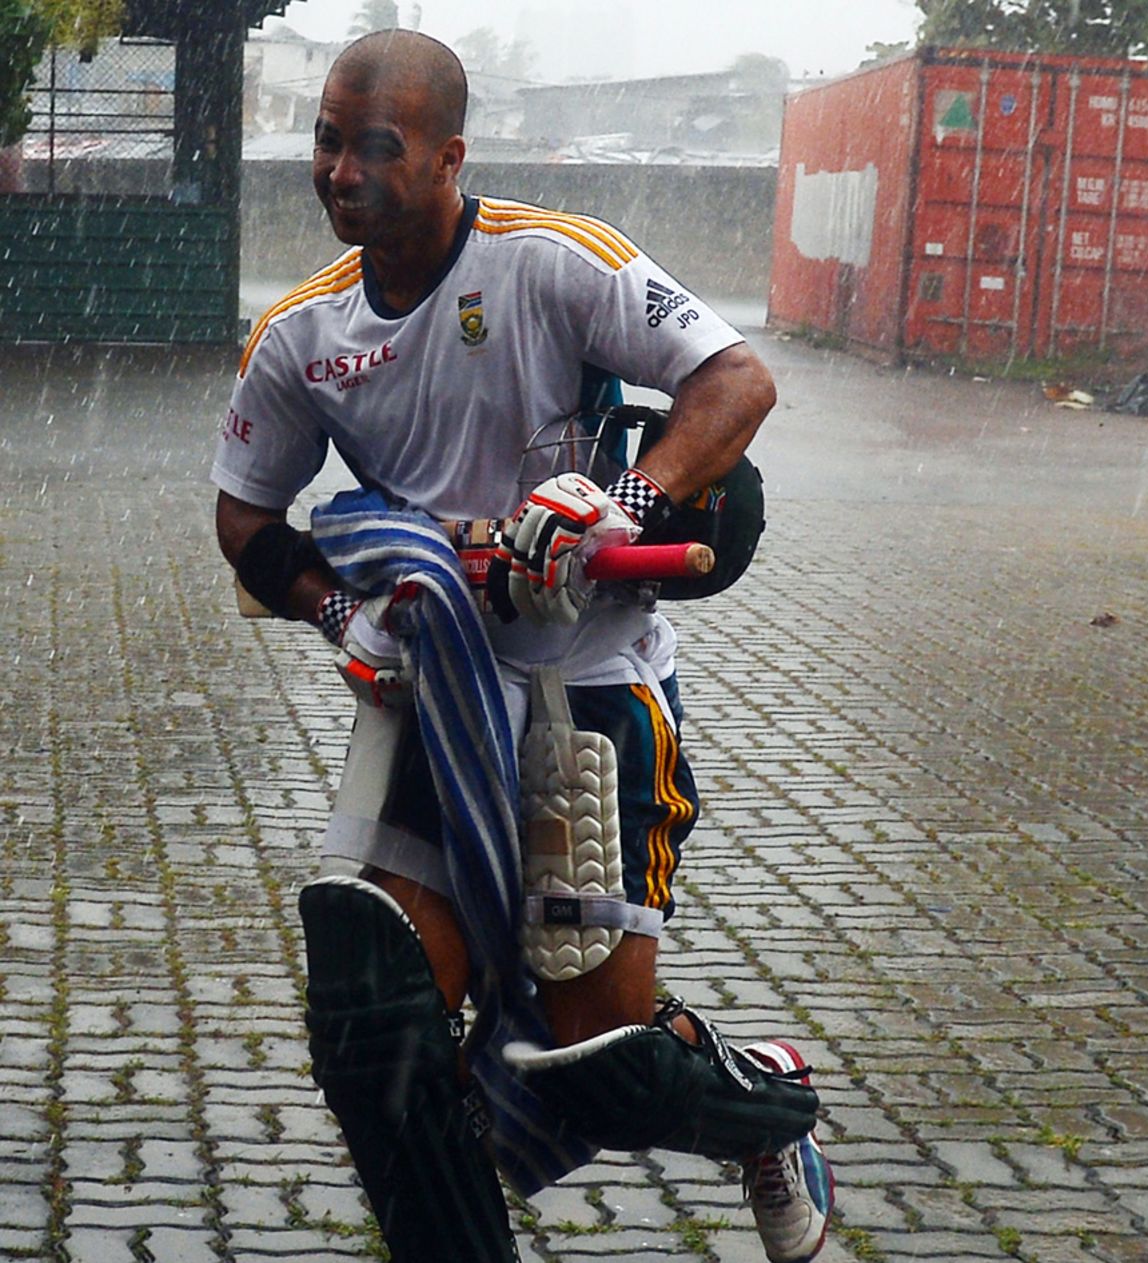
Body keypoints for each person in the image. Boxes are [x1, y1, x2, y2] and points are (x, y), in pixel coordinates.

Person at [211, 29, 832, 1263]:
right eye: (328, 142)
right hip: (432, 702)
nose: (341, 171)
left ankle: (771, 1109)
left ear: (450, 157)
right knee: (377, 1032)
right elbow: (247, 520)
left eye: (376, 147)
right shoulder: (301, 333)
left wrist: (621, 505)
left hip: (587, 692)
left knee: (598, 1066)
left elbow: (736, 383)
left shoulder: (554, 261)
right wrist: (339, 612)